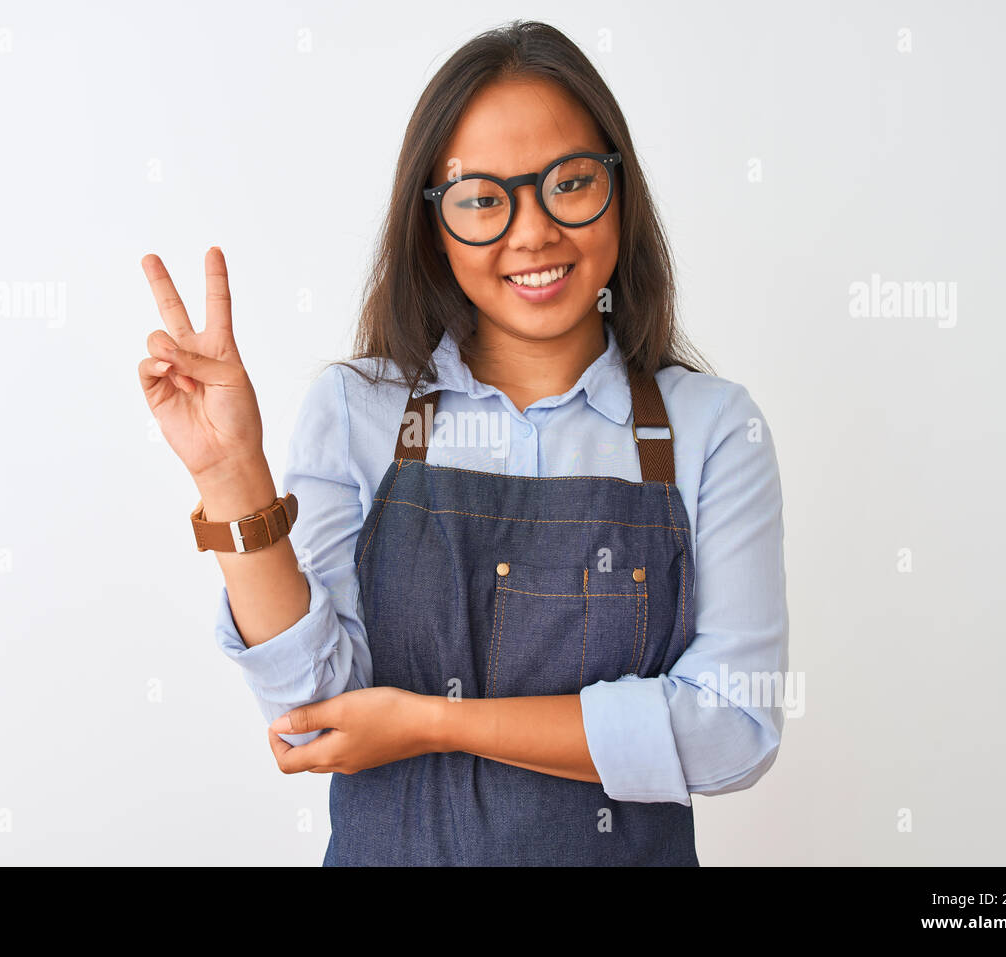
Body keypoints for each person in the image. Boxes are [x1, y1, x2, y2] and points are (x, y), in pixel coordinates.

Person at [136, 20, 788, 866]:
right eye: (483, 198)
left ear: (619, 191)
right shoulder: (356, 410)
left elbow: (733, 728)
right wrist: (231, 478)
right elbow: (313, 707)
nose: (533, 232)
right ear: (433, 227)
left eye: (571, 182)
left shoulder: (711, 429)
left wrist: (431, 722)